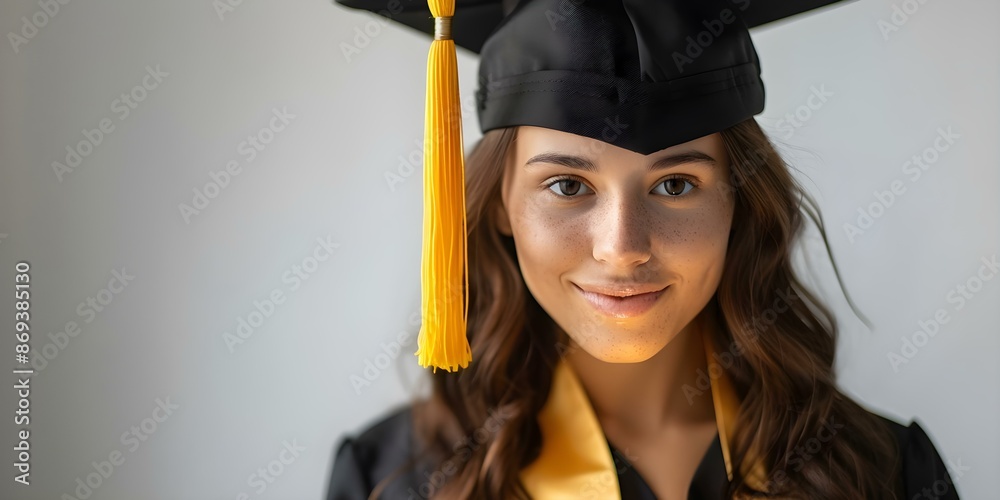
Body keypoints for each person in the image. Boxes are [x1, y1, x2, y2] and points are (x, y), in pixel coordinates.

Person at [327, 0, 960, 498]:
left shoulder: (882, 474)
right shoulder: (392, 481)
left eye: (676, 184)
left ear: (738, 201)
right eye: (567, 185)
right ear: (499, 205)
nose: (622, 247)